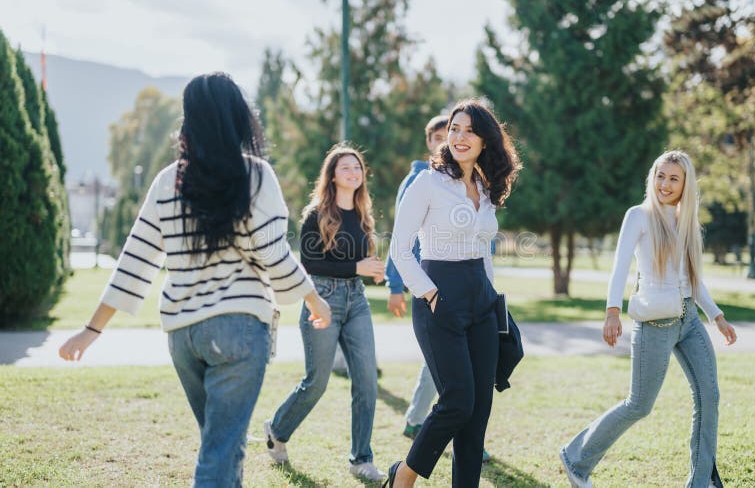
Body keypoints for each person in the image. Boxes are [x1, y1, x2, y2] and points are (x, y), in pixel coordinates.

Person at [58, 72, 332, 488]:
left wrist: (90, 329)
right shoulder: (256, 175)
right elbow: (273, 253)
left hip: (183, 335)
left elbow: (135, 260)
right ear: (238, 116)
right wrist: (315, 300)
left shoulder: (169, 180)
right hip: (238, 328)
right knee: (220, 453)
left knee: (220, 447)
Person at [559, 150, 738, 488]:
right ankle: (575, 458)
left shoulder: (686, 220)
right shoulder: (639, 216)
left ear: (686, 183)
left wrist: (717, 316)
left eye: (673, 178)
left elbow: (694, 280)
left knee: (709, 396)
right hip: (654, 322)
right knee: (639, 405)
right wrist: (612, 311)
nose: (665, 184)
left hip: (688, 321)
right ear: (652, 178)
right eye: (660, 176)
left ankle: (701, 480)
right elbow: (620, 266)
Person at [384, 99, 521, 488]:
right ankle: (403, 478)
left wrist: (494, 301)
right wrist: (429, 295)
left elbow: (483, 250)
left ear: (484, 140)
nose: (459, 137)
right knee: (458, 401)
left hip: (481, 297)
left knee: (478, 413)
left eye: (469, 131)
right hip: (439, 296)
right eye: (454, 129)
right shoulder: (427, 182)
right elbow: (399, 248)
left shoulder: (484, 185)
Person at [264, 144, 387, 482]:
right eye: (345, 167)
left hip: (356, 301)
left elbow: (355, 265)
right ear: (332, 175)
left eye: (357, 167)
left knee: (366, 381)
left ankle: (361, 459)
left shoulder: (362, 214)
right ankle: (277, 429)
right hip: (322, 298)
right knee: (316, 382)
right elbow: (310, 264)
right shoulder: (316, 214)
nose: (353, 172)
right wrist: (356, 266)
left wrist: (373, 273)